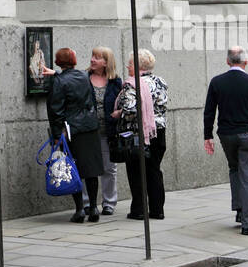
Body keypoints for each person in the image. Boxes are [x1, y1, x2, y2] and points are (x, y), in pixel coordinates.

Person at [203, 46, 248, 235]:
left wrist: (208, 135)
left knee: (235, 169)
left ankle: (240, 210)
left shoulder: (217, 82)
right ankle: (247, 223)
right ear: (245, 62)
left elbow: (209, 111)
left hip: (226, 135)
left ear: (228, 61)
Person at [47, 47, 104, 223]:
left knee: (73, 169)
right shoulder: (84, 76)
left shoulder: (58, 81)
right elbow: (92, 100)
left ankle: (80, 209)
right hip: (90, 127)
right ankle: (93, 207)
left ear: (58, 62)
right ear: (74, 60)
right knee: (91, 170)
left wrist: (56, 135)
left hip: (71, 131)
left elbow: (55, 110)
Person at [112, 49, 168, 220]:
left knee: (136, 172)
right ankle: (157, 210)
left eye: (130, 64)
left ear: (137, 66)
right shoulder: (160, 81)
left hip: (138, 134)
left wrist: (118, 113)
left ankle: (139, 210)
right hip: (158, 131)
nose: (128, 67)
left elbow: (131, 109)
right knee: (154, 170)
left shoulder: (132, 84)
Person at [83, 46, 122, 216]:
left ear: (106, 62)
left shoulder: (115, 82)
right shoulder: (84, 78)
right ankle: (87, 203)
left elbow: (123, 102)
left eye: (97, 57)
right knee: (87, 168)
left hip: (108, 131)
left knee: (109, 169)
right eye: (92, 56)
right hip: (87, 132)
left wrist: (119, 112)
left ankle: (109, 203)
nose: (92, 59)